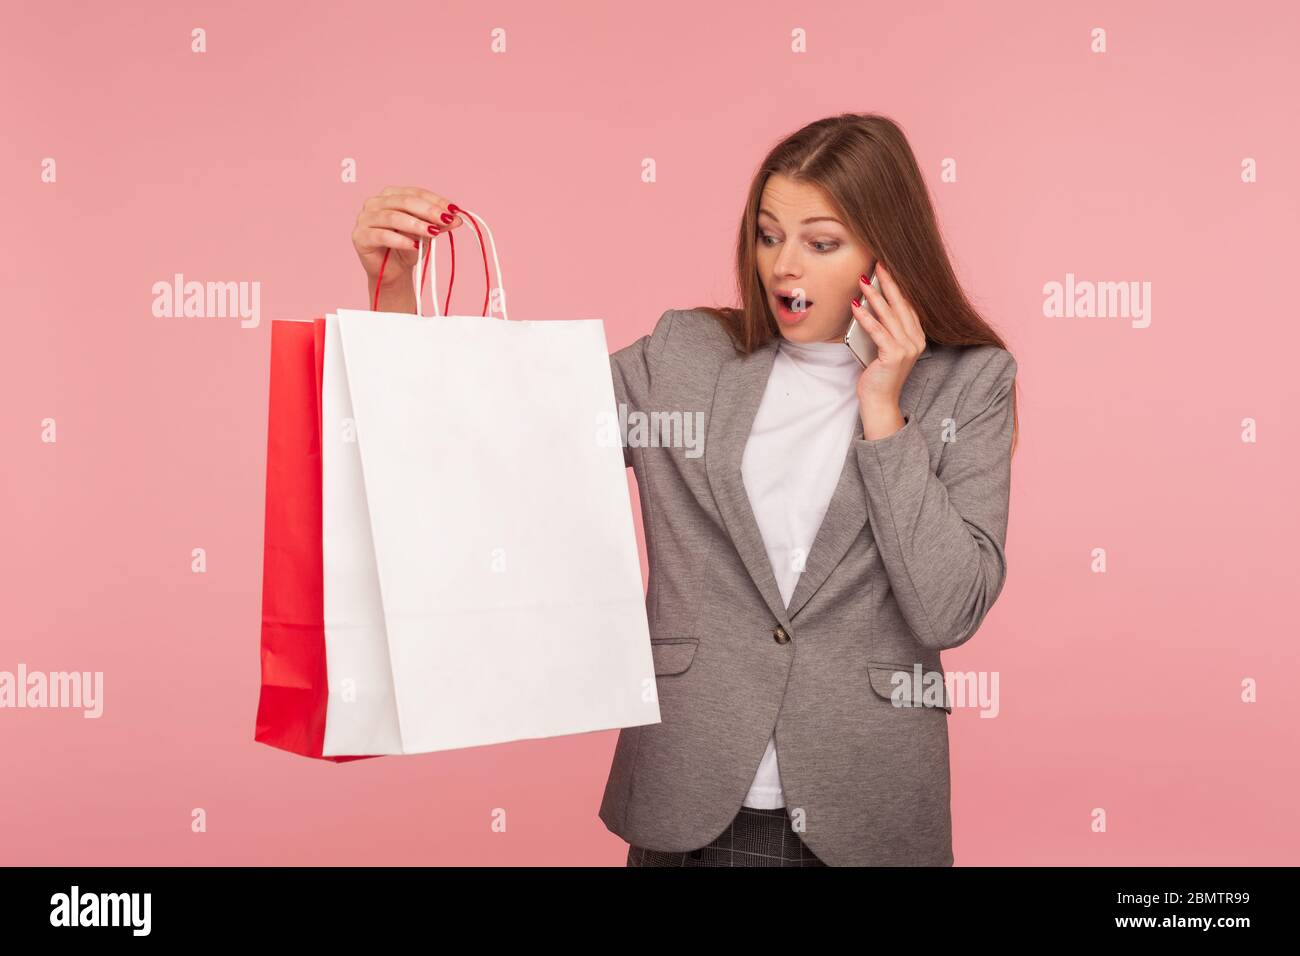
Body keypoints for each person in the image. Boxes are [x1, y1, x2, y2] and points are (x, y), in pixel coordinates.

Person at [351, 112, 1019, 866]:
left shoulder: (970, 384)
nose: (783, 266)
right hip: (688, 803)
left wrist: (884, 413)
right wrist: (398, 300)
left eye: (821, 242)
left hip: (866, 817)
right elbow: (505, 450)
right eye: (769, 235)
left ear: (886, 251)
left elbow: (947, 610)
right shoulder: (685, 356)